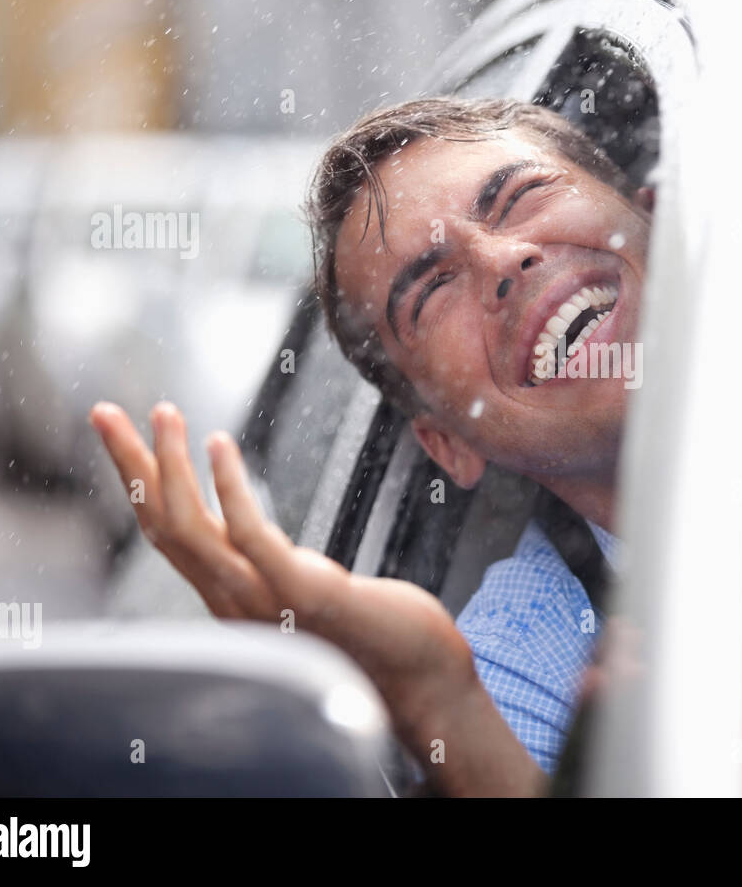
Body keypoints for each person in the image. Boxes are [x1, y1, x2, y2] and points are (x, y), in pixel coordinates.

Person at [89, 96, 653, 796]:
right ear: (447, 445)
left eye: (521, 196)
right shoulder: (522, 667)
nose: (504, 259)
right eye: (433, 288)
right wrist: (437, 699)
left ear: (654, 213)